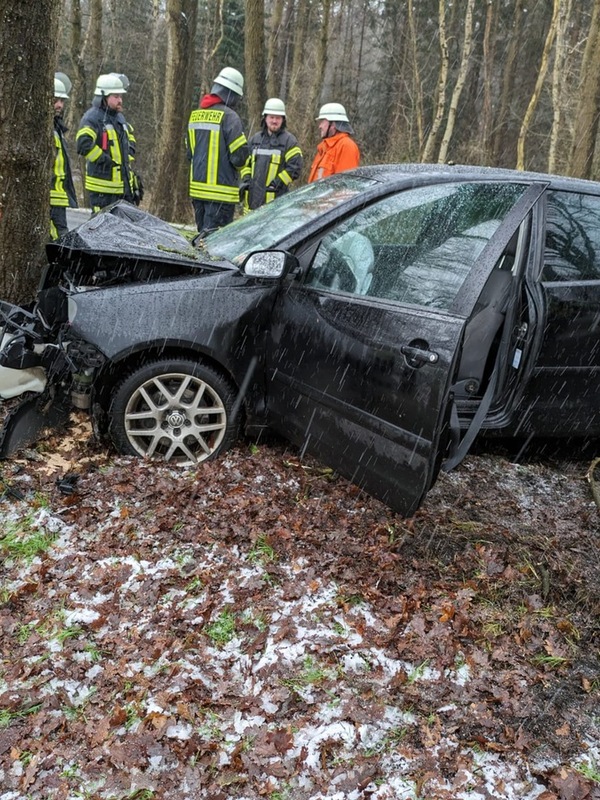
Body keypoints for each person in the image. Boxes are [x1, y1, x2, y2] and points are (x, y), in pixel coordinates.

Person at [187, 67, 249, 235]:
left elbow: (190, 154)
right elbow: (238, 158)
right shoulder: (230, 117)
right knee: (215, 246)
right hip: (221, 195)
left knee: (201, 240)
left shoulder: (196, 115)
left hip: (197, 192)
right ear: (231, 94)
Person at [76, 73, 142, 214]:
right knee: (101, 232)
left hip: (122, 189)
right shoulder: (92, 118)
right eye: (116, 96)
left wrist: (128, 154)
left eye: (121, 96)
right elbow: (83, 144)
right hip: (102, 191)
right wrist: (104, 160)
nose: (120, 100)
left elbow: (130, 137)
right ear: (104, 97)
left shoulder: (119, 118)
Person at [239, 98, 303, 212]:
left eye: (278, 118)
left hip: (275, 204)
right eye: (271, 117)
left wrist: (277, 183)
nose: (274, 121)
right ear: (265, 118)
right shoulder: (255, 139)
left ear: (283, 120)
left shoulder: (289, 141)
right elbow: (245, 164)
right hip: (251, 202)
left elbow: (295, 168)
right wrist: (247, 180)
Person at [50, 72, 78, 240]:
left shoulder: (57, 128)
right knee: (56, 240)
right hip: (50, 197)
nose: (59, 105)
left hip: (58, 197)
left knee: (60, 239)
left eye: (62, 101)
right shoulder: (47, 128)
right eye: (55, 100)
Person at [308, 103, 360, 183]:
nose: (320, 126)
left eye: (323, 121)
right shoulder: (325, 147)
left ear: (333, 125)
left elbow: (345, 185)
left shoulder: (346, 146)